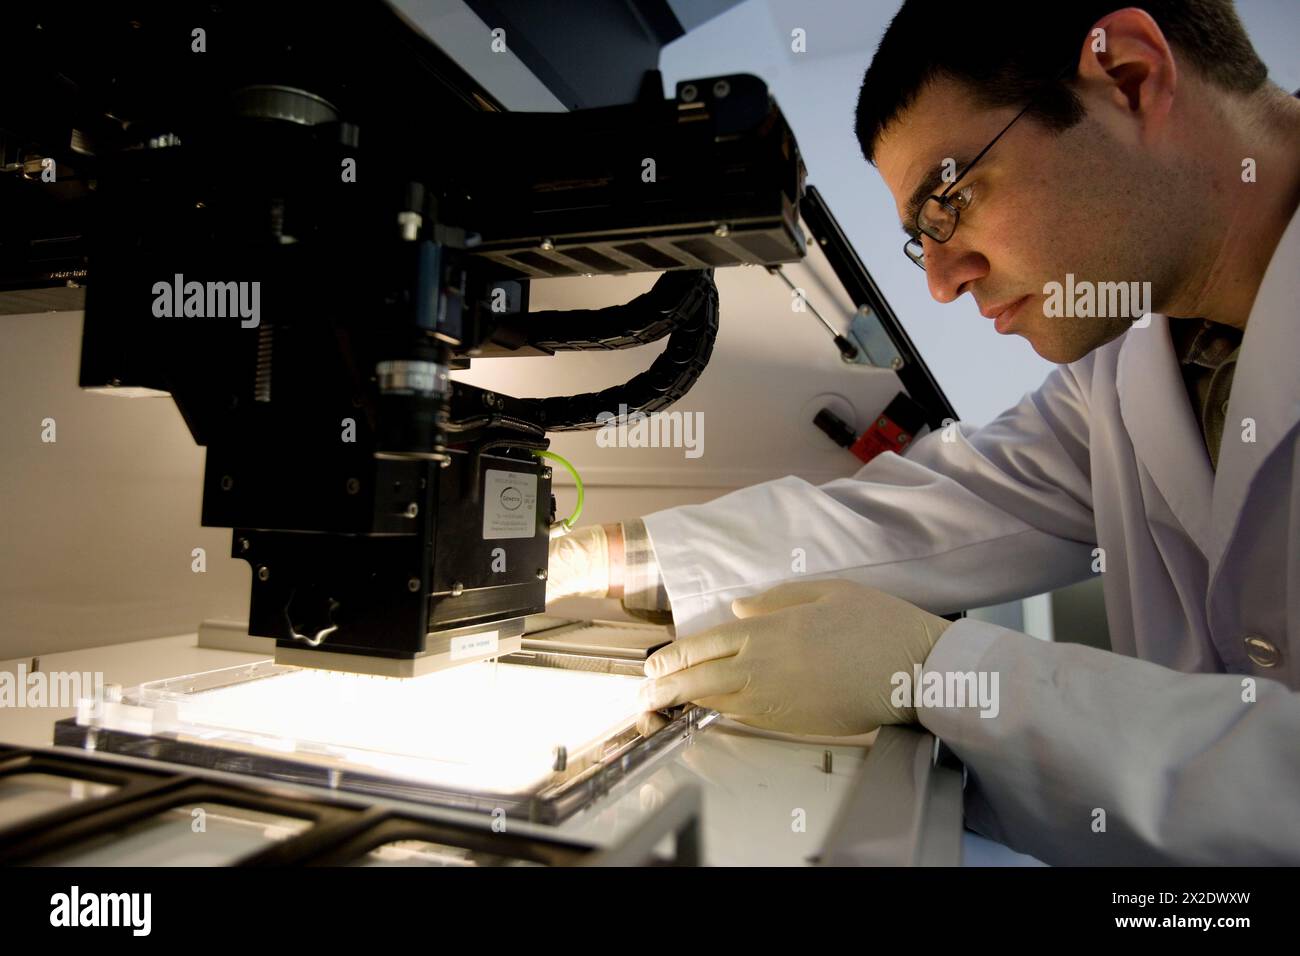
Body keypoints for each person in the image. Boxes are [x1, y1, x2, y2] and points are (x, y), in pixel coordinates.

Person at [546, 0, 1300, 865]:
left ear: (1128, 75)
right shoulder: (1136, 366)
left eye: (951, 201)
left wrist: (940, 672)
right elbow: (940, 506)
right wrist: (605, 554)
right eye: (919, 241)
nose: (941, 283)